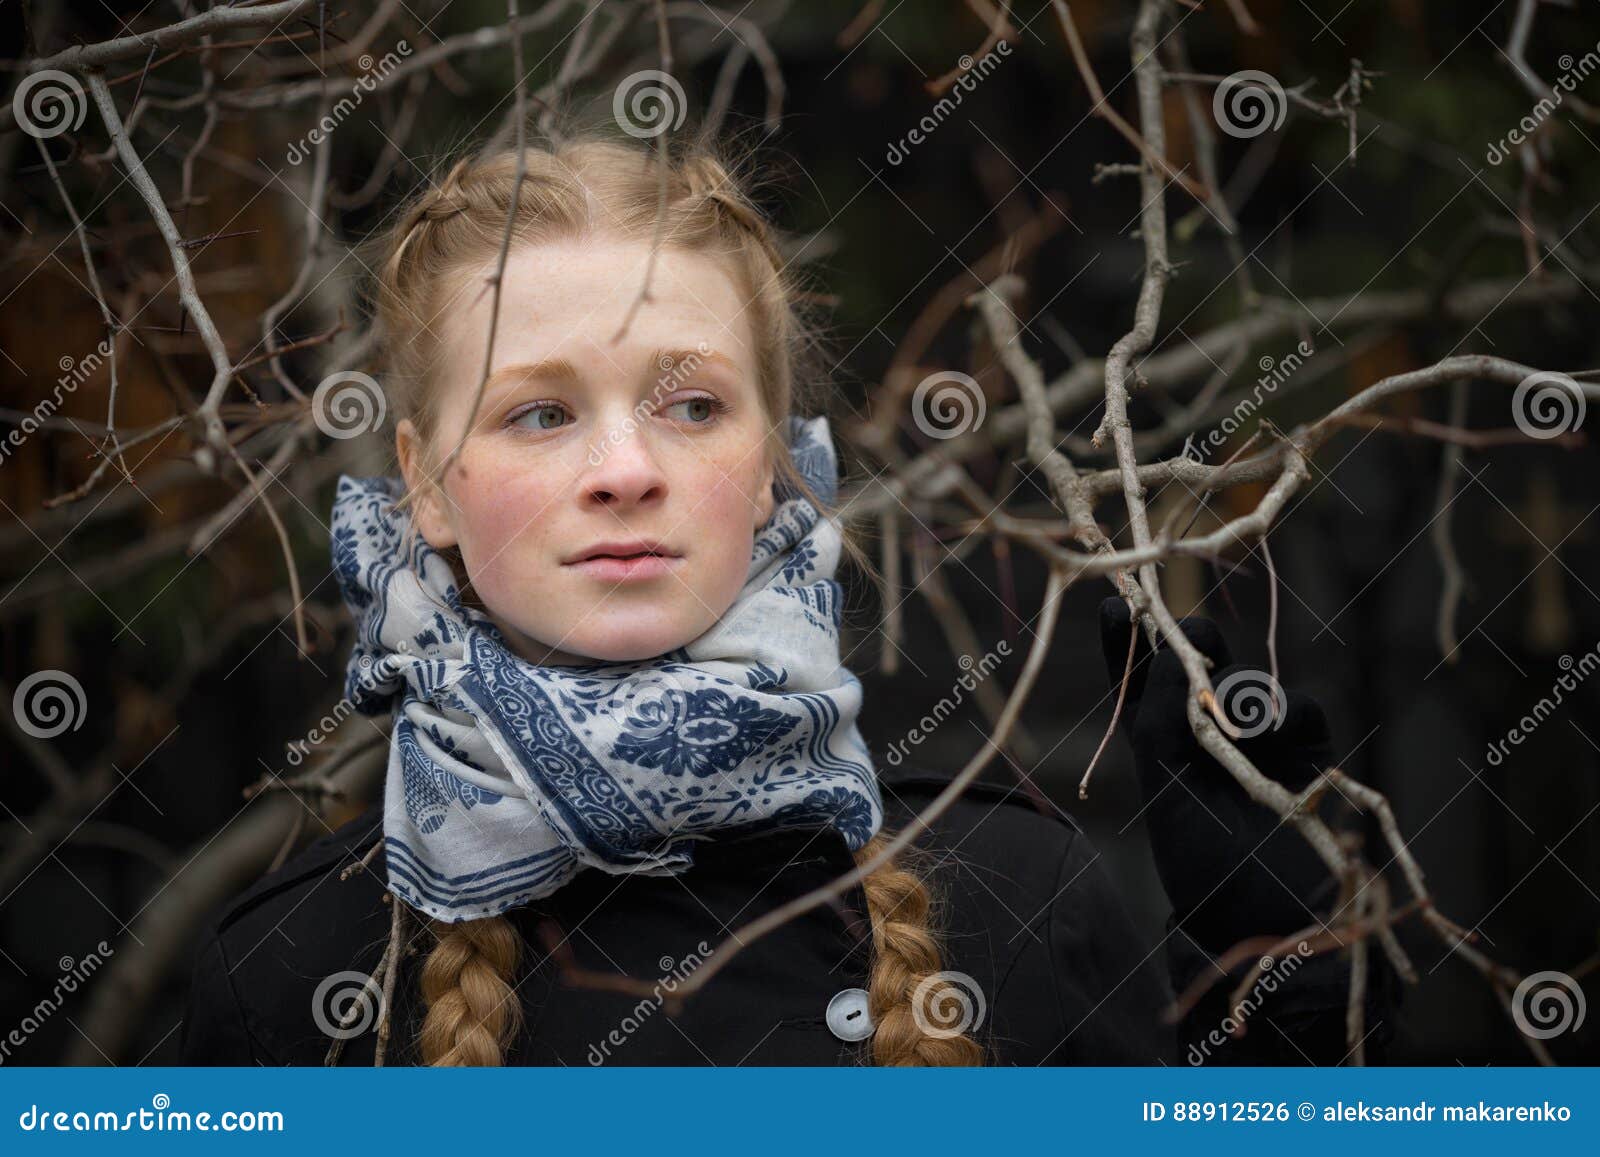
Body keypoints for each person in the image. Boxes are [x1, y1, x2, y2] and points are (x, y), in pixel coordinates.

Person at [179, 131, 1394, 1067]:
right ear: (425, 484)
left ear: (773, 465)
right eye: (539, 412)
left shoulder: (1015, 899)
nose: (625, 469)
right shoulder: (302, 968)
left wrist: (1283, 973)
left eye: (692, 404)